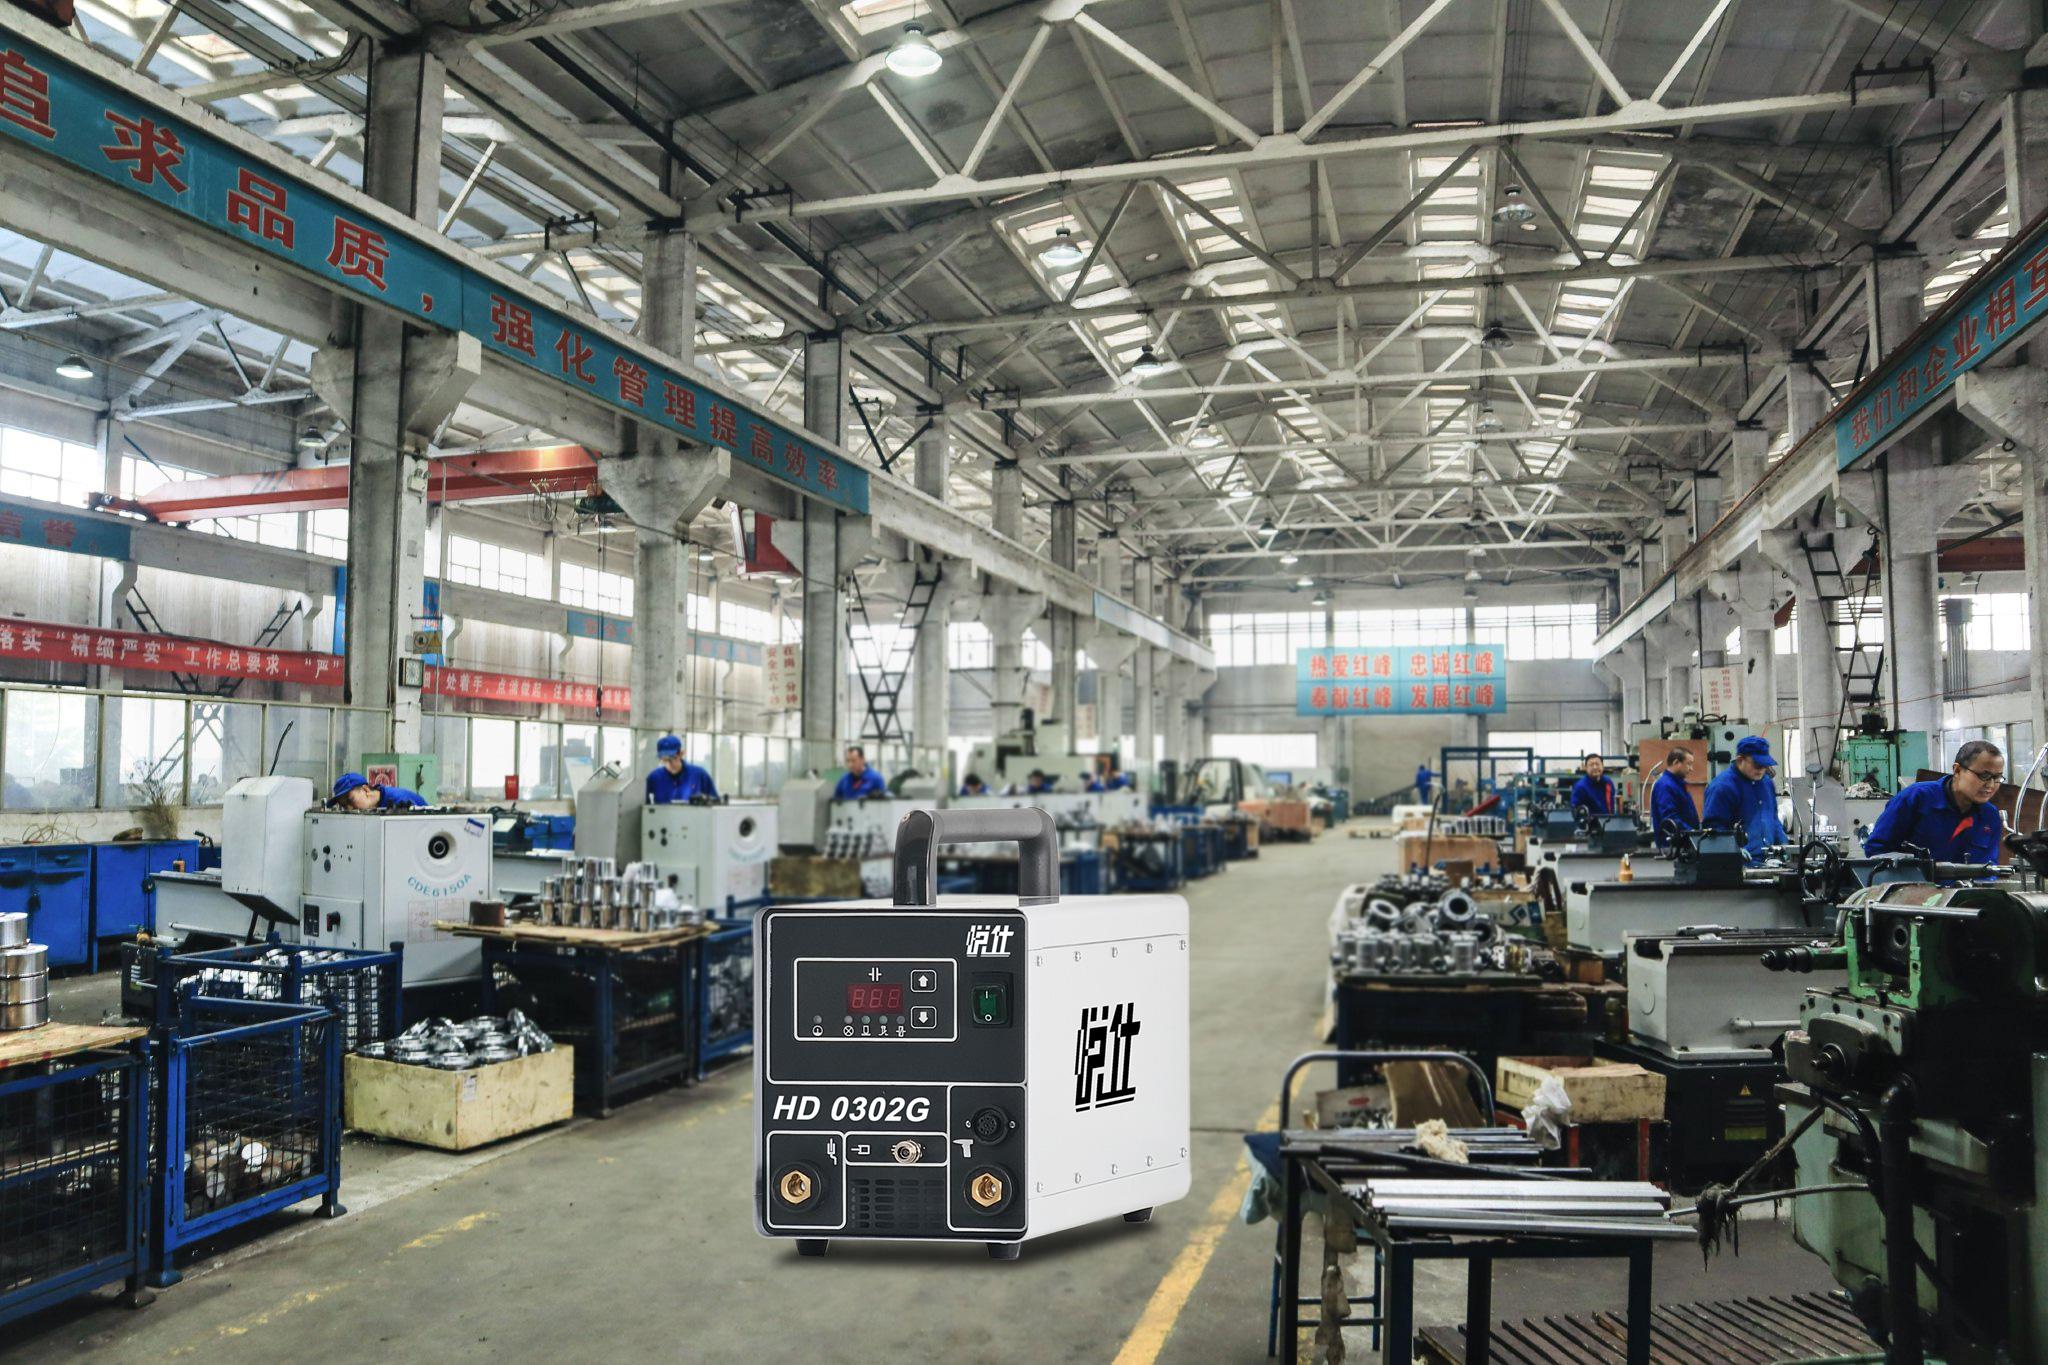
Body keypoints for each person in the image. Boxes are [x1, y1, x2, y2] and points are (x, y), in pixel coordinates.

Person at [1863, 740, 2007, 865]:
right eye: (1984, 776)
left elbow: (1988, 869)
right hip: (1911, 887)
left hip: (1966, 889)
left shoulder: (1989, 815)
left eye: (1997, 778)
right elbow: (1876, 849)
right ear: (1957, 770)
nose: (1990, 785)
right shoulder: (1915, 798)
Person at [1702, 735, 1787, 864]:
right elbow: (1714, 830)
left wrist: (1785, 847)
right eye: (1757, 764)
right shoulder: (1722, 787)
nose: (1761, 769)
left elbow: (1773, 819)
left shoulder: (1767, 783)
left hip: (1768, 862)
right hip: (1738, 865)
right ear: (1740, 760)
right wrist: (1734, 850)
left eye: (1765, 765)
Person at [1649, 748, 1701, 848]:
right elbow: (1669, 818)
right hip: (1672, 847)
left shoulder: (1678, 784)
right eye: (1689, 764)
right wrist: (1692, 832)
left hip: (1683, 843)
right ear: (1676, 762)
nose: (1691, 769)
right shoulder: (1665, 785)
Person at [645, 734, 718, 803]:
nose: (669, 764)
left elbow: (716, 803)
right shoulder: (654, 778)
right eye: (664, 760)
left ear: (681, 754)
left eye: (672, 758)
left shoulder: (700, 776)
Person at [330, 772, 426, 810]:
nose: (349, 809)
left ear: (365, 789)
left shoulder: (399, 801)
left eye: (350, 800)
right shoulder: (373, 809)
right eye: (344, 806)